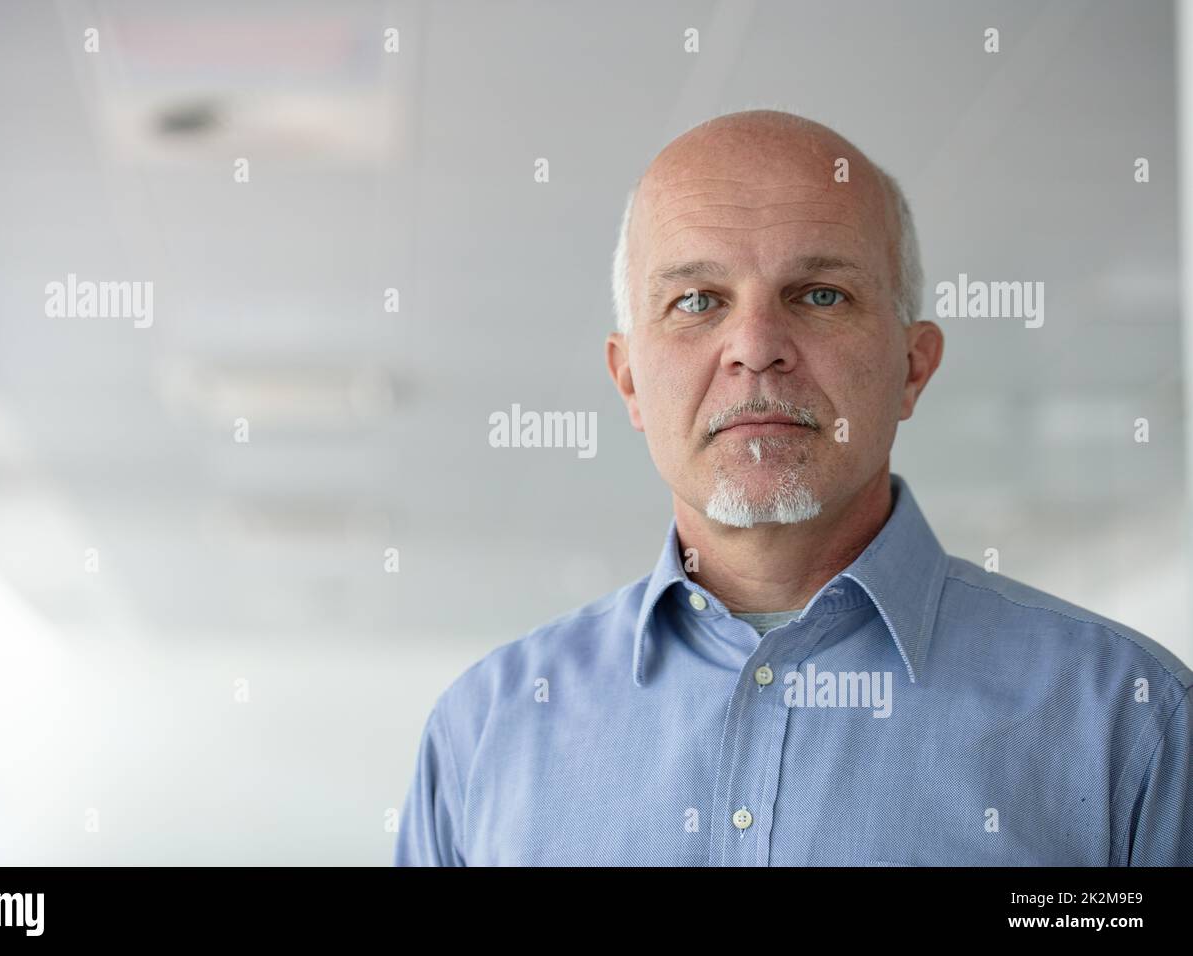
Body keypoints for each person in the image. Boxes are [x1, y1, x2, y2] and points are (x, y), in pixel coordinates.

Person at [394, 110, 1193, 866]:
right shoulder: (483, 735)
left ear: (912, 367)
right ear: (630, 379)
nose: (756, 348)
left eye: (820, 295)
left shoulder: (1132, 725)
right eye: (697, 301)